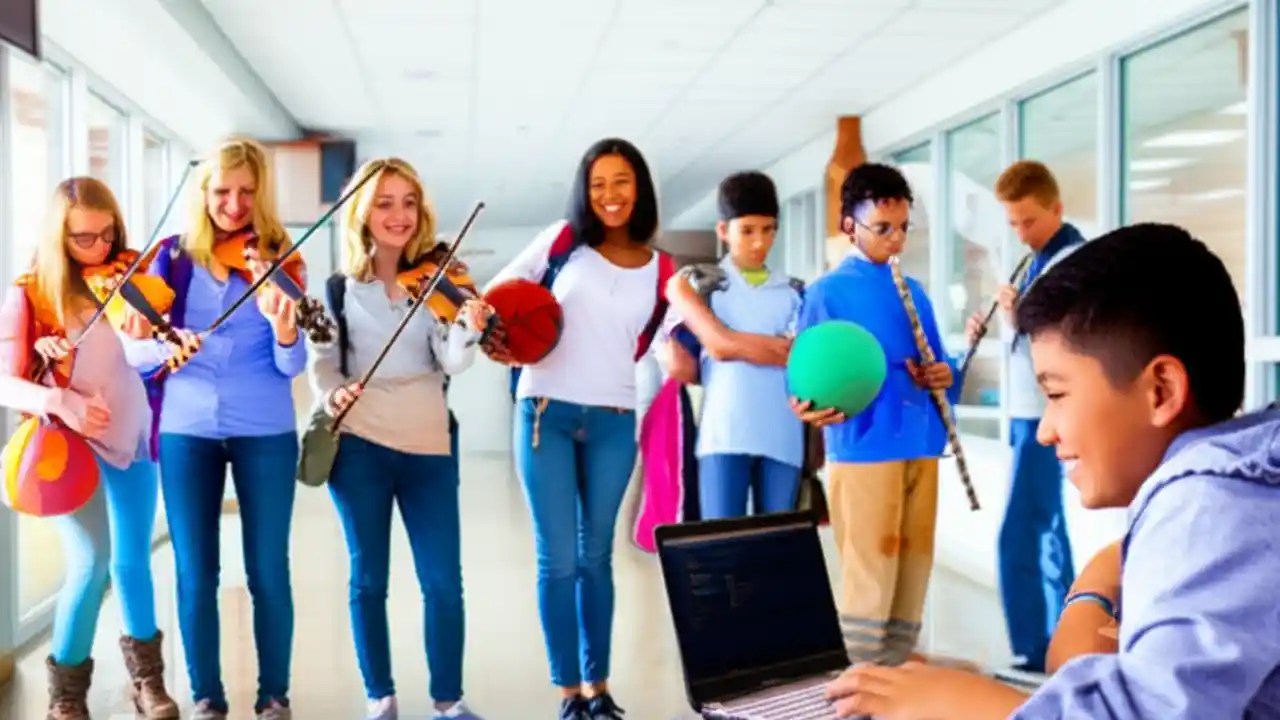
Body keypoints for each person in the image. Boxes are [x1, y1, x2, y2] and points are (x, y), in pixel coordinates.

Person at [825, 222, 1280, 719]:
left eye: (1057, 394)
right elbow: (1082, 666)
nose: (1045, 430)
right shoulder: (1229, 496)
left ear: (1161, 391)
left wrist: (967, 705)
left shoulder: (1210, 509)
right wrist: (1096, 583)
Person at [482, 137, 676, 720]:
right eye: (598, 185)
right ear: (583, 193)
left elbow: (659, 346)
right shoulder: (562, 243)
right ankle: (568, 692)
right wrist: (495, 335)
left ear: (639, 188)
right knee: (559, 559)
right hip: (547, 413)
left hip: (616, 418)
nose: (610, 196)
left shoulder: (662, 269)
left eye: (621, 182)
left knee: (598, 558)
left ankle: (600, 689)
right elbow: (497, 300)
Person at [0, 178, 192, 719]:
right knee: (91, 563)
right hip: (71, 450)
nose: (103, 248)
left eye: (109, 234)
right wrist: (59, 398)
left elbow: (141, 359)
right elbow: (4, 381)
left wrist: (169, 346)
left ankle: (148, 682)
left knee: (133, 562)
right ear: (58, 236)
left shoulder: (128, 280)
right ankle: (66, 693)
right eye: (85, 238)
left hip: (133, 439)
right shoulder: (31, 293)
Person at [127, 137, 304, 720]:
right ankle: (207, 695)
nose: (234, 204)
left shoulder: (281, 257)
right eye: (223, 191)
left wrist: (283, 329)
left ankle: (274, 694)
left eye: (247, 192)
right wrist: (165, 347)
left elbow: (293, 364)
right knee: (196, 570)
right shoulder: (170, 258)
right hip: (187, 428)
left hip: (266, 427)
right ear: (203, 193)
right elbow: (136, 353)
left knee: (268, 568)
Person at [309, 158, 491, 720]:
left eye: (408, 201)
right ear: (363, 213)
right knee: (368, 580)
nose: (399, 214)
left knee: (443, 581)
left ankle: (448, 701)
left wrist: (469, 328)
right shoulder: (337, 289)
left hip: (430, 445)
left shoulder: (438, 281)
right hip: (359, 445)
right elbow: (322, 364)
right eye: (384, 202)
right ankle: (380, 696)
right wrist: (333, 395)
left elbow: (452, 362)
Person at [790, 162, 960, 667]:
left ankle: (895, 686)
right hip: (864, 448)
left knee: (913, 574)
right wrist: (807, 405)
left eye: (904, 228)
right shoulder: (826, 293)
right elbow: (804, 374)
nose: (896, 239)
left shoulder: (917, 292)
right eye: (883, 228)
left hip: (922, 443)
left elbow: (942, 363)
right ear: (850, 226)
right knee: (870, 577)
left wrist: (943, 374)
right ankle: (857, 690)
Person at [966, 159, 1085, 672]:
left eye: (1029, 221)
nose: (1021, 232)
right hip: (1028, 411)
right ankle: (1065, 641)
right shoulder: (1036, 260)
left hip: (1045, 414)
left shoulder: (1074, 262)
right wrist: (993, 327)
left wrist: (1017, 319)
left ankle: (1032, 652)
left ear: (1057, 208)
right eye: (1012, 223)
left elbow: (1066, 339)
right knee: (1048, 526)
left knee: (1021, 530)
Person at [656, 170, 804, 519]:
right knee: (720, 546)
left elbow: (796, 356)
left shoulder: (795, 292)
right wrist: (766, 349)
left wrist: (727, 344)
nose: (759, 242)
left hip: (783, 434)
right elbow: (681, 363)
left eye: (768, 230)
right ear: (723, 230)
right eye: (747, 230)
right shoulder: (705, 287)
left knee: (777, 545)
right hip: (722, 433)